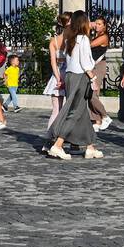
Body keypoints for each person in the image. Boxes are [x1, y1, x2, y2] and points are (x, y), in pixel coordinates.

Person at [47, 11, 103, 160]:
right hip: (80, 77)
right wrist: (93, 78)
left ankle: (90, 146)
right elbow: (85, 62)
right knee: (74, 113)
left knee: (82, 112)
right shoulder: (83, 39)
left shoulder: (70, 39)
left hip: (71, 76)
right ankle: (58, 145)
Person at [42, 14, 70, 146]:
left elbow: (53, 62)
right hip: (69, 73)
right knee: (70, 110)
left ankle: (50, 137)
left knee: (56, 109)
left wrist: (58, 78)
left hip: (57, 74)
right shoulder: (71, 39)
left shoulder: (53, 40)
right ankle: (63, 138)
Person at [88, 15, 112, 131]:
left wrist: (86, 28)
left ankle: (105, 116)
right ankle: (96, 121)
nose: (96, 26)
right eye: (95, 24)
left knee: (93, 95)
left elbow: (89, 45)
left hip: (99, 66)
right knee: (91, 94)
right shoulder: (95, 35)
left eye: (99, 24)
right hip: (92, 66)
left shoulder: (104, 37)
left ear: (104, 26)